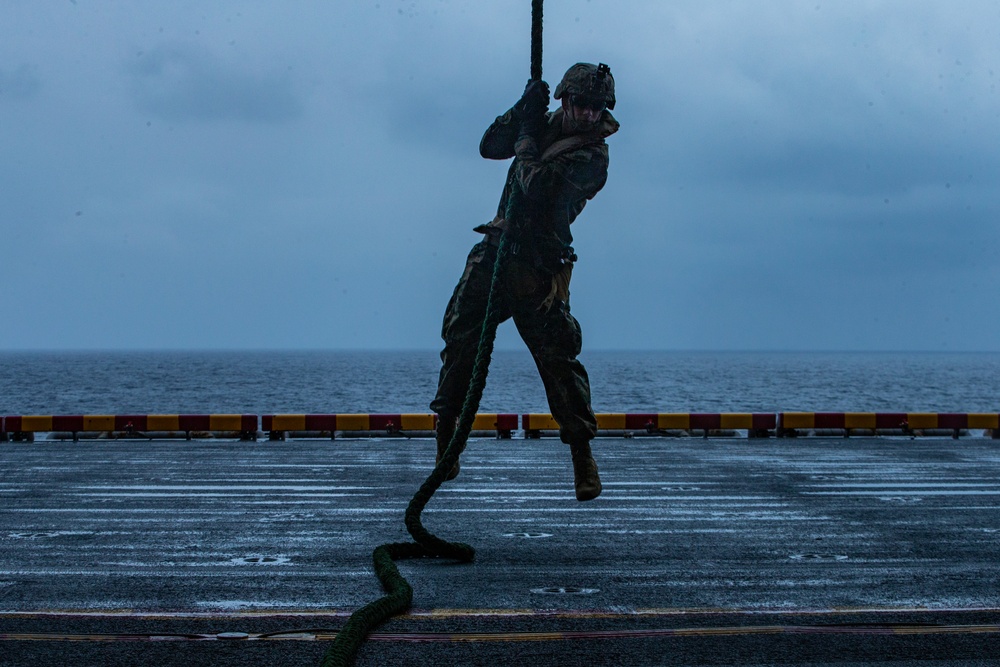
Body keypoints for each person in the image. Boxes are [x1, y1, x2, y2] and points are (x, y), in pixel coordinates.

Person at [430, 62, 619, 502]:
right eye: (582, 103)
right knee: (459, 338)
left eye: (597, 107)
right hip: (497, 252)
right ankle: (446, 436)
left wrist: (527, 139)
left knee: (559, 361)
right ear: (565, 100)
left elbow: (537, 186)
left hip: (539, 269)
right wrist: (522, 109)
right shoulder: (541, 122)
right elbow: (489, 146)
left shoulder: (594, 157)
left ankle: (582, 454)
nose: (589, 113)